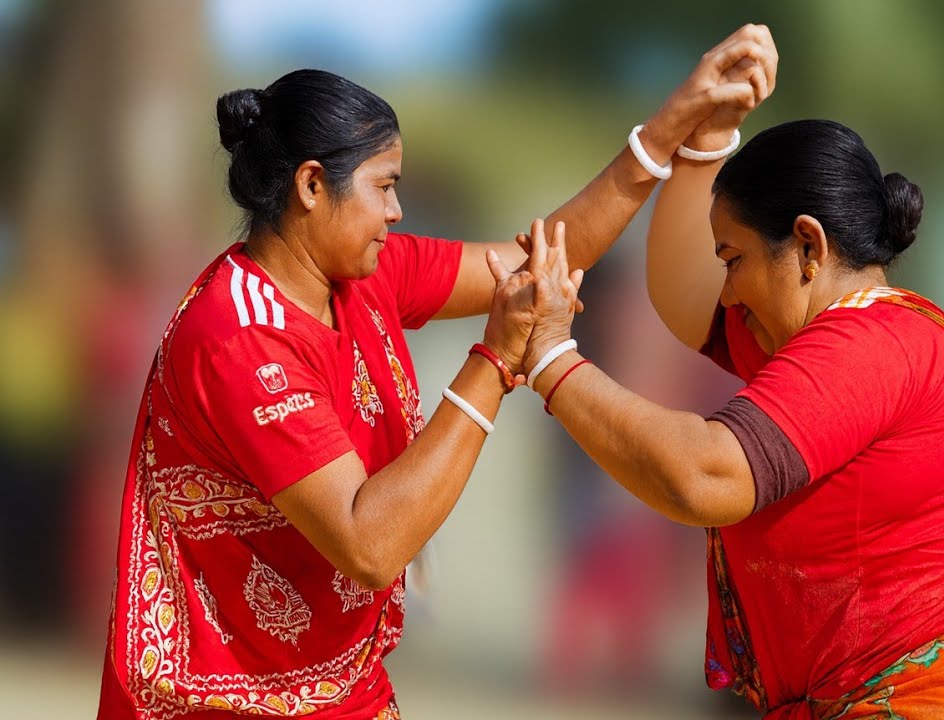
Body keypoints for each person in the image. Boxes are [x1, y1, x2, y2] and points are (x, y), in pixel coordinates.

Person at [96, 25, 779, 719]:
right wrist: (493, 359)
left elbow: (542, 260)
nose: (396, 211)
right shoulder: (240, 337)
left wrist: (667, 133)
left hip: (340, 687)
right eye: (384, 187)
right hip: (221, 700)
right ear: (310, 186)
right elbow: (370, 544)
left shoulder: (362, 276)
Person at [488, 117, 944, 717]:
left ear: (808, 246)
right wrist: (707, 138)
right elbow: (686, 299)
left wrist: (550, 358)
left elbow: (707, 474)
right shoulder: (829, 331)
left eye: (732, 260)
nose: (726, 290)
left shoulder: (873, 345)